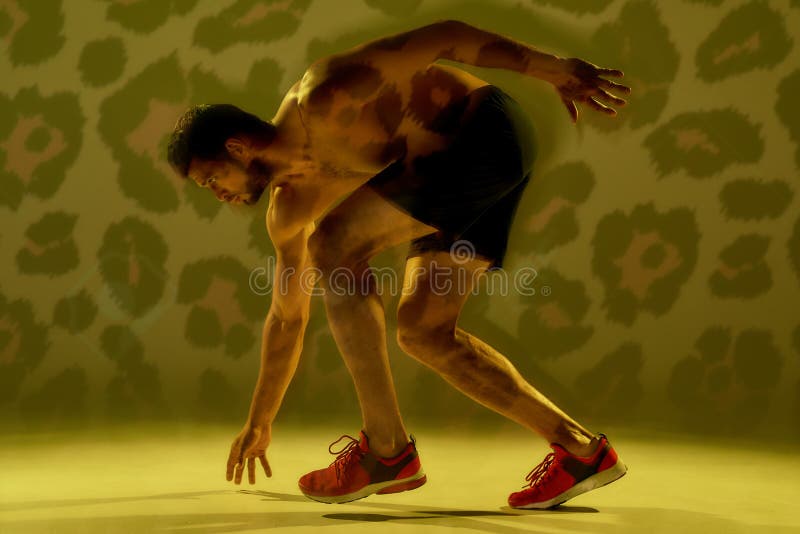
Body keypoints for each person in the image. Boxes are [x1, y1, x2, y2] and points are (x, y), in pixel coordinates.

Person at [167, 19, 631, 509]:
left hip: (486, 130)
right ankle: (582, 452)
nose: (217, 194)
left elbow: (443, 36)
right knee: (424, 332)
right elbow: (286, 318)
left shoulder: (324, 95)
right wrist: (260, 421)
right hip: (455, 176)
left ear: (237, 148)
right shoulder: (288, 210)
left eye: (212, 179)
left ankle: (386, 450)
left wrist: (553, 69)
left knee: (332, 244)